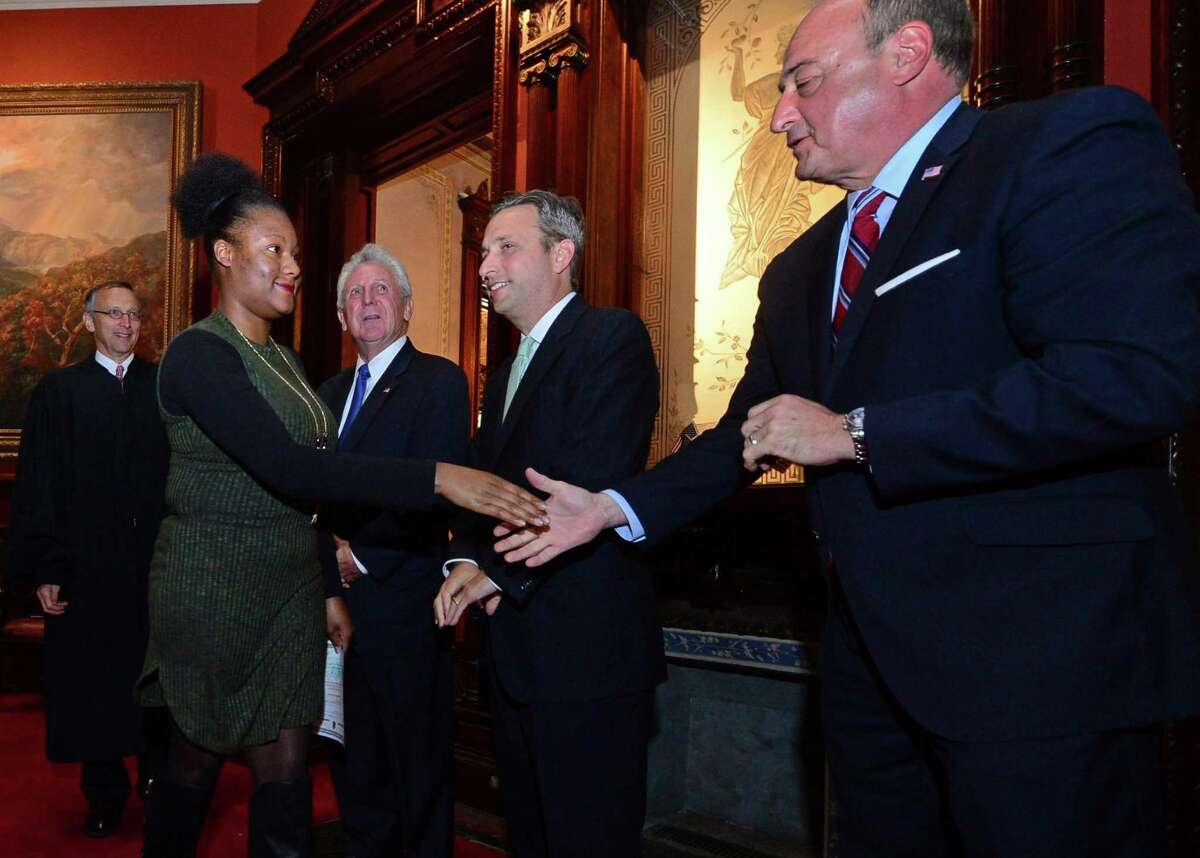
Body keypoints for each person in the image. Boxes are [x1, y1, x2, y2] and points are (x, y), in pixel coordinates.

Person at [473, 2, 1200, 855]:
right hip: (865, 672)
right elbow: (742, 437)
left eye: (802, 83)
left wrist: (859, 433)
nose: (780, 114)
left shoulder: (1058, 145)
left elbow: (1131, 375)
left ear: (909, 54)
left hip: (1044, 667)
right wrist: (609, 510)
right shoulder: (797, 269)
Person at [137, 153, 545, 858]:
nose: (293, 264)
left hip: (289, 601)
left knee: (288, 774)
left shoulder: (288, 365)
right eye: (275, 250)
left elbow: (314, 499)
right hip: (213, 593)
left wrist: (326, 588)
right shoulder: (199, 356)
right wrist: (438, 479)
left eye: (295, 251)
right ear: (225, 255)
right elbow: (289, 468)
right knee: (193, 766)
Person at [434, 190, 663, 857]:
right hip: (517, 655)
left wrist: (496, 569)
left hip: (589, 656)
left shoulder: (611, 337)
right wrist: (467, 560)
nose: (486, 266)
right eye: (483, 252)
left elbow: (588, 476)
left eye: (506, 247)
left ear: (562, 254)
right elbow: (485, 487)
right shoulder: (505, 370)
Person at [316, 243, 465, 858]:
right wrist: (328, 566)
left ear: (406, 309)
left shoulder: (437, 381)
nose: (368, 302)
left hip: (404, 606)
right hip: (333, 611)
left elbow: (435, 491)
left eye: (381, 291)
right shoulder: (322, 393)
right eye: (356, 293)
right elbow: (308, 494)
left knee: (416, 763)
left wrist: (361, 558)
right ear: (342, 317)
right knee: (352, 758)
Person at [8, 280, 170, 838]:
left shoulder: (161, 389)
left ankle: (157, 777)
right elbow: (39, 485)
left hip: (155, 568)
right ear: (88, 321)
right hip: (87, 570)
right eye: (113, 314)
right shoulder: (59, 392)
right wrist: (47, 569)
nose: (125, 324)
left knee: (157, 680)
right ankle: (104, 794)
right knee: (94, 685)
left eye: (133, 314)